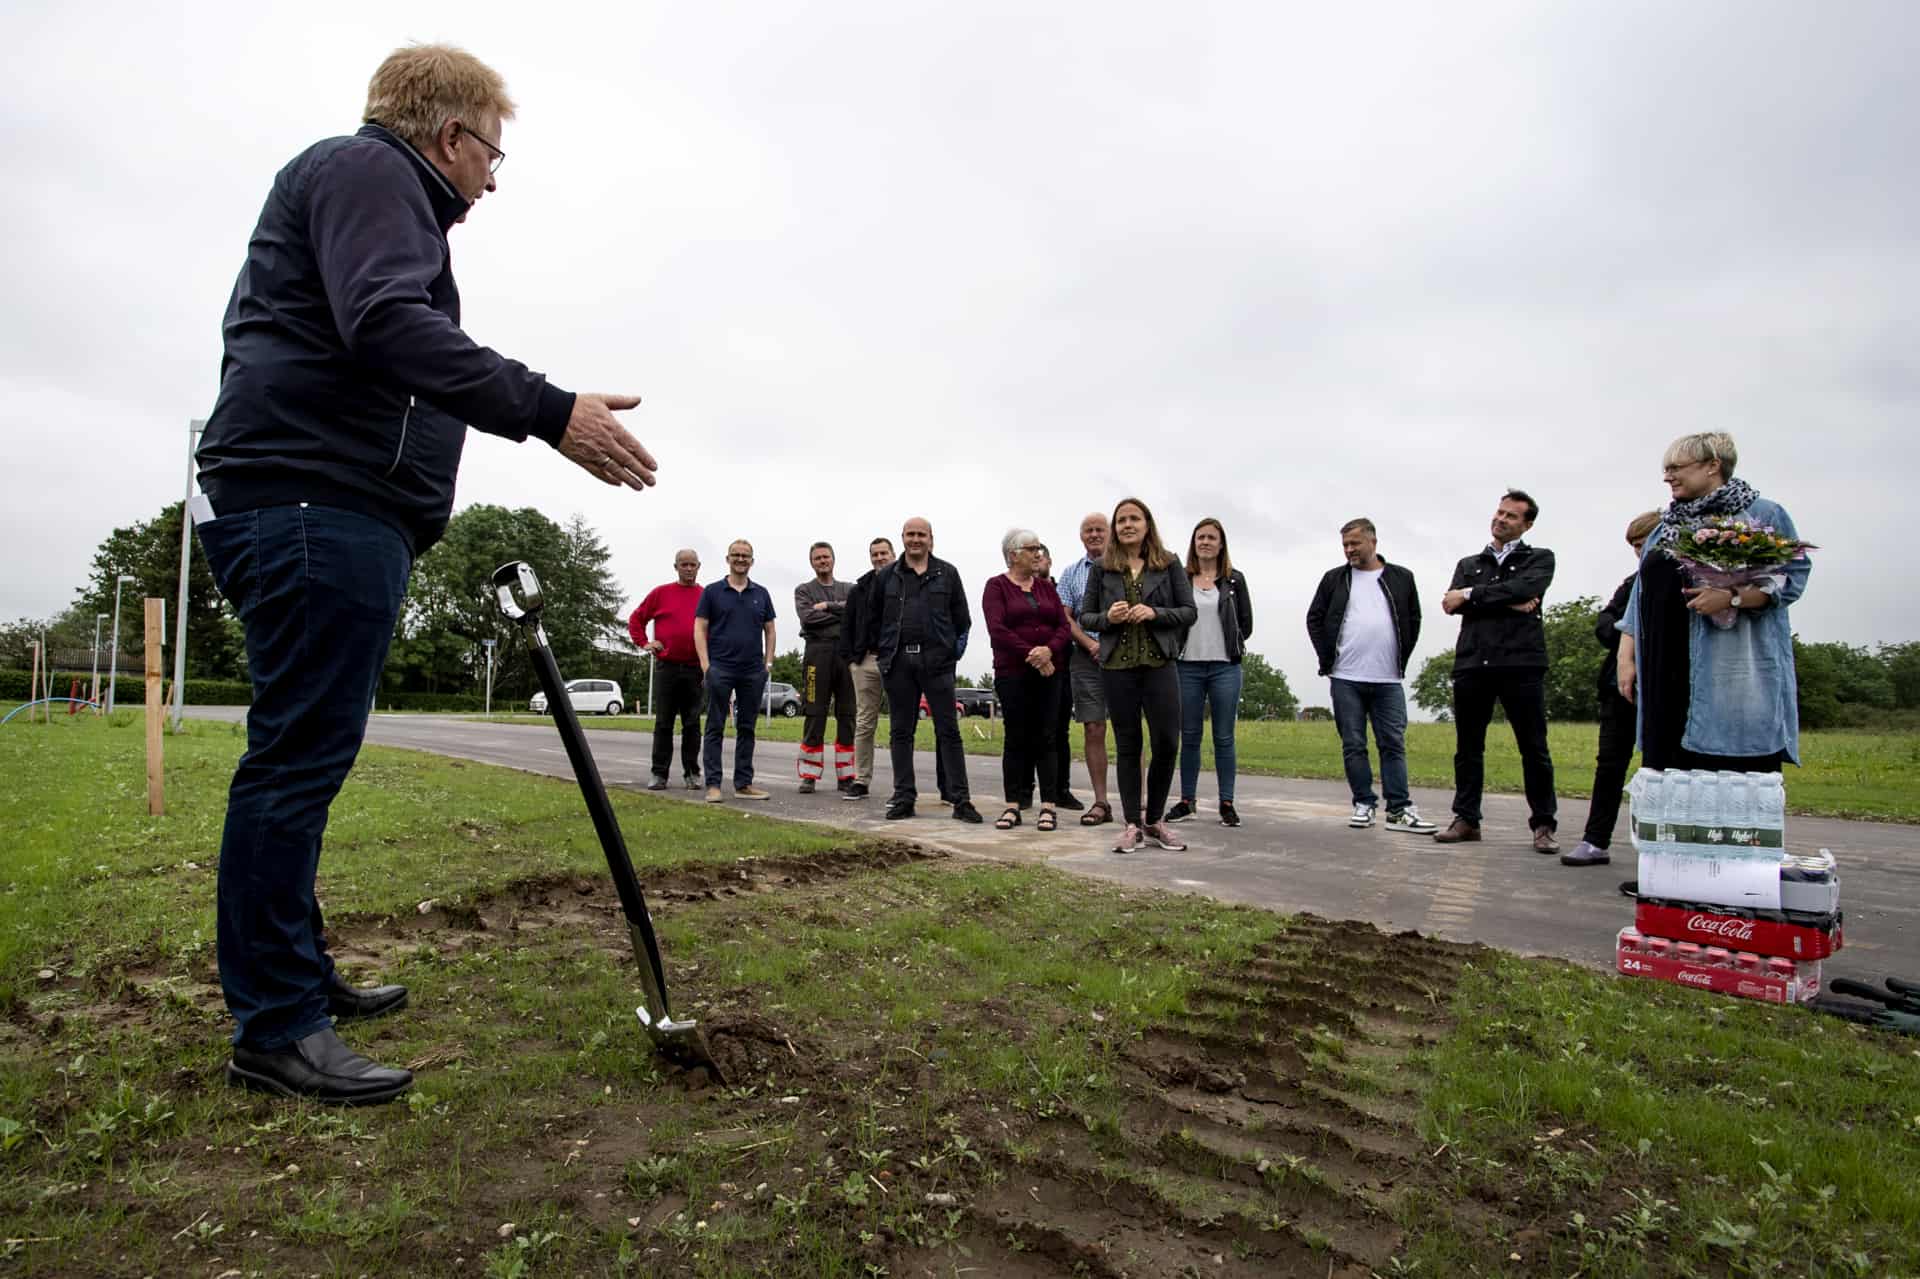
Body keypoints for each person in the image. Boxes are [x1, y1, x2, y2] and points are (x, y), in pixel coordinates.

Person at [191, 44, 656, 1105]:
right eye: (494, 153)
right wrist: (550, 410)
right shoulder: (369, 175)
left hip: (323, 507)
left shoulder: (374, 193)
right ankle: (274, 1025)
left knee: (306, 747)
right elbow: (386, 326)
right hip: (312, 504)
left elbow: (386, 328)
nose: (494, 178)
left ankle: (294, 976)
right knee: (297, 759)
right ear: (450, 137)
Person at [1617, 432, 1810, 774]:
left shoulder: (1762, 514)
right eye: (1665, 468)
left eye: (1676, 467)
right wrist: (1625, 656)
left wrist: (1732, 597)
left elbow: (1791, 579)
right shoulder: (1665, 526)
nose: (1667, 476)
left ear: (1712, 466)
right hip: (1664, 668)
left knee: (1726, 782)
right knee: (1669, 778)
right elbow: (1640, 593)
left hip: (1726, 670)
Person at [1435, 491, 1559, 850]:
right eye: (1500, 512)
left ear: (1527, 524)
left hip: (1521, 663)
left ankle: (1543, 824)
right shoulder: (1470, 562)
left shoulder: (1540, 558)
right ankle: (1466, 819)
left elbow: (1526, 587)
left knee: (1533, 746)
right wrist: (1506, 601)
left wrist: (1472, 596)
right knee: (1468, 745)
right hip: (1474, 662)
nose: (1502, 519)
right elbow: (1450, 602)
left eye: (1512, 516)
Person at [1079, 498, 1196, 854]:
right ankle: (1131, 824)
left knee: (1166, 742)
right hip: (1118, 667)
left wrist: (1155, 612)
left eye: (1134, 518)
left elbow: (1188, 611)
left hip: (1160, 664)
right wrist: (1108, 619)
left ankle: (1155, 819)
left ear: (1147, 524)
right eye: (1121, 520)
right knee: (1128, 746)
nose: (1127, 525)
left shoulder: (1169, 564)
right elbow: (1086, 617)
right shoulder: (1102, 569)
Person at [1303, 519, 1432, 833]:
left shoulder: (1402, 578)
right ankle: (1363, 803)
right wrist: (1328, 659)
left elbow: (1413, 620)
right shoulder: (1334, 579)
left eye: (1355, 544)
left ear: (1373, 541)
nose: (1349, 550)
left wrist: (1399, 656)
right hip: (1346, 677)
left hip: (1388, 679)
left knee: (1392, 743)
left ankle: (1399, 809)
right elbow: (1315, 618)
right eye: (1345, 545)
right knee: (1353, 744)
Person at [1562, 512, 1661, 867]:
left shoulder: (1681, 580)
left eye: (1643, 544)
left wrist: (1631, 633)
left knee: (1659, 769)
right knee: (1609, 765)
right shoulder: (1631, 584)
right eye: (1634, 546)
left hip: (1662, 687)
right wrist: (1629, 635)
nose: (1639, 552)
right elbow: (1603, 624)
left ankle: (1658, 852)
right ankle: (1594, 840)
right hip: (1618, 687)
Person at [870, 517, 981, 823]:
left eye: (921, 534)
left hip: (937, 664)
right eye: (910, 534)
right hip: (898, 663)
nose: (915, 539)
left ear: (931, 538)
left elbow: (963, 621)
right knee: (901, 732)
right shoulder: (887, 577)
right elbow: (874, 619)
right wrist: (882, 655)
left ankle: (961, 800)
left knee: (949, 731)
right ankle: (904, 797)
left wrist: (950, 654)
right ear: (902, 538)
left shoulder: (948, 573)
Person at [1168, 518, 1256, 828]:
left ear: (1221, 544)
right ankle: (1187, 800)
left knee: (1223, 736)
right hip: (1187, 665)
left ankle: (1226, 802)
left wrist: (1228, 644)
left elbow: (1246, 624)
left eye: (1211, 537)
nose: (1205, 542)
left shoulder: (1235, 580)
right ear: (1193, 543)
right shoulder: (1180, 578)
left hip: (1224, 666)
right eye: (1200, 537)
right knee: (1189, 736)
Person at [983, 528, 1072, 832]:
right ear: (1013, 554)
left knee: (1047, 736)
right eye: (1032, 548)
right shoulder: (996, 587)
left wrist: (1048, 652)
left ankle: (1048, 806)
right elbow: (998, 630)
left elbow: (1063, 626)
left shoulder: (1047, 589)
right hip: (1013, 673)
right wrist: (1032, 654)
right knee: (1017, 737)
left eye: (1040, 548)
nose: (1038, 554)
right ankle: (1012, 805)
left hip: (1050, 672)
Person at [695, 541, 777, 803]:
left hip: (753, 670)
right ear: (727, 559)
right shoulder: (712, 592)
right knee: (715, 726)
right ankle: (713, 785)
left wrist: (768, 664)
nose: (740, 560)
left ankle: (743, 783)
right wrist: (706, 666)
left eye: (745, 556)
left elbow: (770, 630)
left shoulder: (761, 593)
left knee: (747, 728)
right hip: (721, 668)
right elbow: (700, 628)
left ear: (752, 561)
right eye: (736, 556)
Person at [1057, 512, 1115, 826]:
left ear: (1110, 533)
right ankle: (1101, 802)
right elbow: (1064, 617)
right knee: (1093, 728)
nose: (1094, 535)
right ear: (1081, 537)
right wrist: (1089, 644)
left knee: (1129, 729)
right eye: (1088, 530)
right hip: (1085, 657)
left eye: (1099, 529)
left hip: (1124, 657)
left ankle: (1142, 804)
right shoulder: (1071, 574)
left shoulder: (1125, 568)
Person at [629, 549, 704, 791]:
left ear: (699, 566)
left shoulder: (705, 595)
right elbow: (636, 619)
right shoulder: (661, 594)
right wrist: (644, 643)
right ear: (676, 567)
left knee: (692, 724)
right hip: (667, 668)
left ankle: (692, 773)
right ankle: (659, 774)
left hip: (695, 670)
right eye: (684, 564)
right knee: (664, 723)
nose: (689, 568)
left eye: (693, 564)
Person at [794, 542, 856, 794]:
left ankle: (846, 776)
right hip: (816, 654)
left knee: (848, 713)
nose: (822, 561)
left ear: (833, 559)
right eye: (817, 558)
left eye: (826, 557)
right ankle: (809, 774)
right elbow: (808, 619)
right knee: (814, 712)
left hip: (846, 654)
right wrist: (842, 613)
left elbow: (856, 612)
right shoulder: (804, 590)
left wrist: (829, 607)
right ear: (812, 562)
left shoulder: (850, 589)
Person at [836, 537, 895, 801]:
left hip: (897, 661)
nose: (880, 558)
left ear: (893, 555)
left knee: (901, 724)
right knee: (864, 723)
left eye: (884, 553)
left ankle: (903, 785)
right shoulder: (860, 589)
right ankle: (861, 779)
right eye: (875, 554)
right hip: (865, 661)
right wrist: (852, 660)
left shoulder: (905, 583)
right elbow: (847, 625)